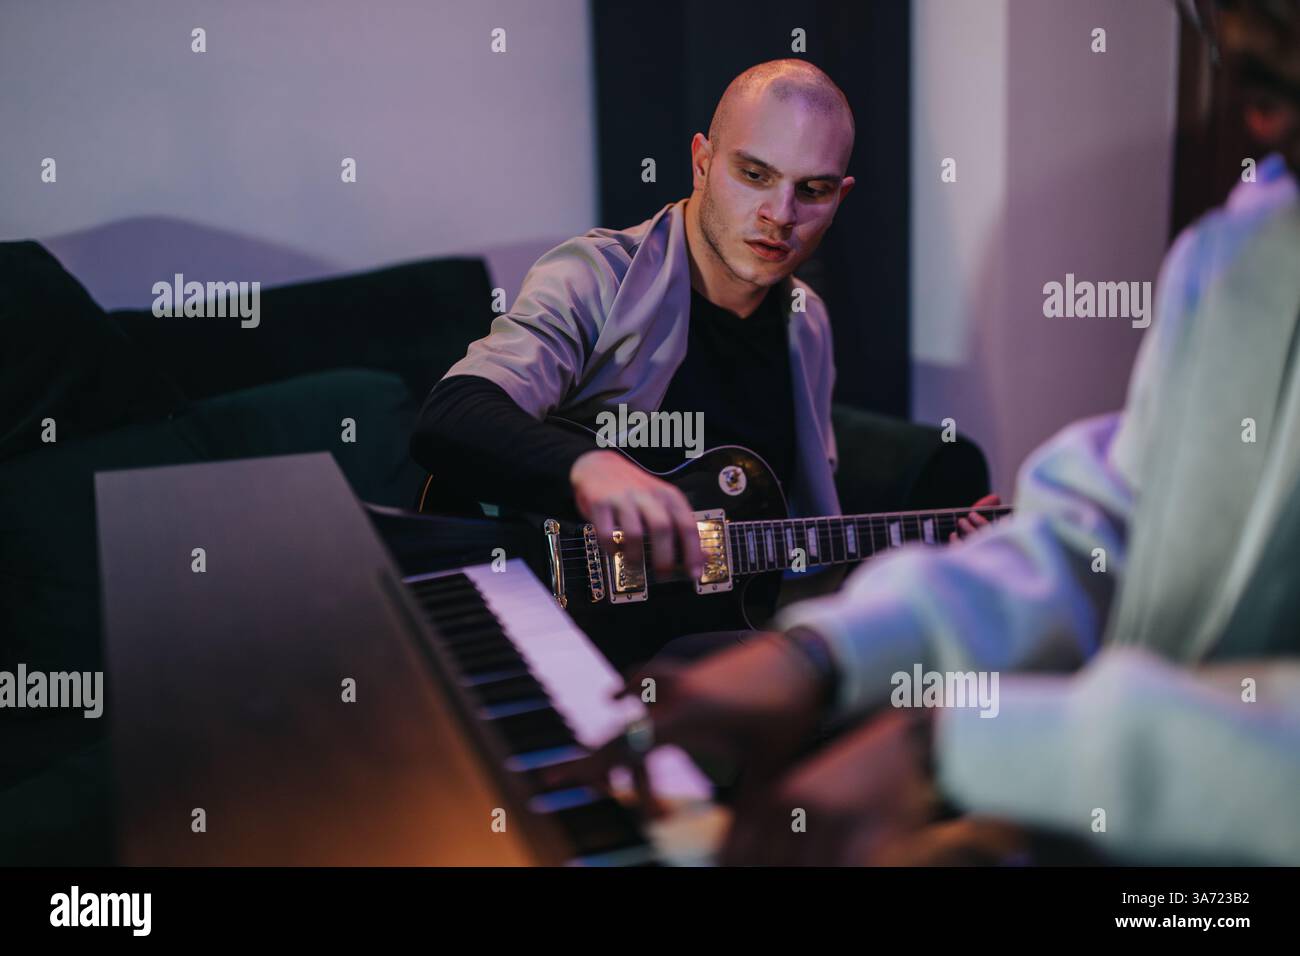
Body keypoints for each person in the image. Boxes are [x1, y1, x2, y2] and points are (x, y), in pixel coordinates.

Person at [584, 0, 1300, 865]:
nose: (1262, 122)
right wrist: (823, 655)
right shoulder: (1247, 247)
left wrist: (953, 745)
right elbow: (1114, 527)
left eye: (1287, 74)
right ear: (701, 162)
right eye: (1254, 78)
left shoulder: (804, 322)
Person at [410, 58, 997, 590]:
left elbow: (792, 538)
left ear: (839, 197)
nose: (780, 215)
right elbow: (451, 417)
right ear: (702, 163)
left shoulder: (806, 321)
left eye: (812, 190)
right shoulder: (597, 276)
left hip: (711, 634)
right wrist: (591, 468)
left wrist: (935, 552)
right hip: (555, 615)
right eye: (755, 175)